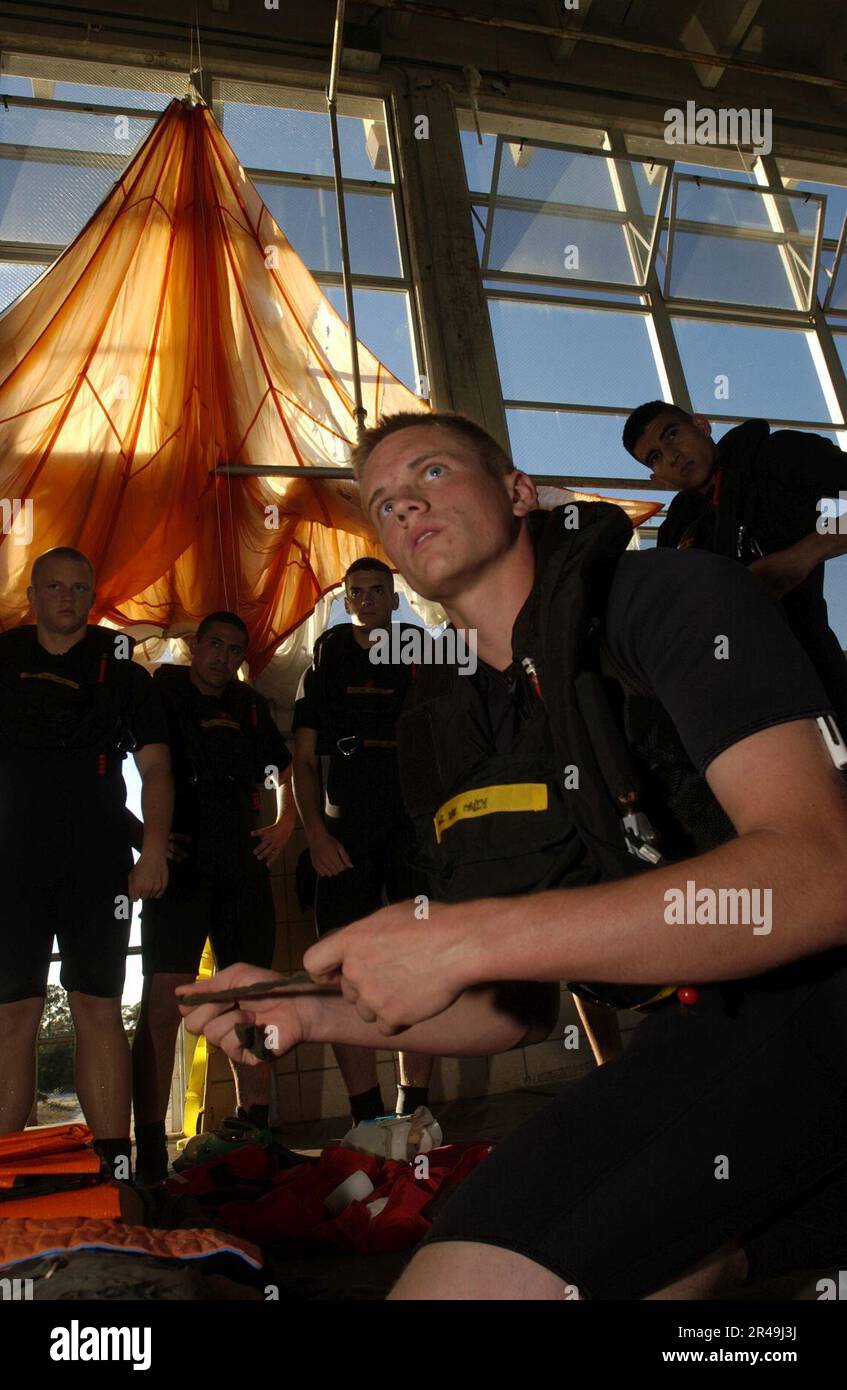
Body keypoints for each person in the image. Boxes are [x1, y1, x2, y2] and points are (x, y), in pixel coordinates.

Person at [180, 411, 847, 1302]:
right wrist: (307, 1011)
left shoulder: (672, 598)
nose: (405, 503)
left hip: (819, 998)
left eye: (431, 472)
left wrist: (471, 937)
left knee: (463, 1285)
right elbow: (510, 1013)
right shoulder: (454, 725)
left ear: (517, 493)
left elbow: (820, 877)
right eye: (382, 504)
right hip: (713, 1032)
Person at [0, 548, 172, 1181]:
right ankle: (6, 1173)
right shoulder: (5, 656)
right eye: (54, 587)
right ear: (34, 596)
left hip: (98, 861)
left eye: (79, 587)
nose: (67, 597)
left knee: (96, 1005)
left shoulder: (122, 666)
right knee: (11, 1012)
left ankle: (114, 1171)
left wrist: (152, 850)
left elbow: (155, 768)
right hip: (12, 858)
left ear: (92, 595)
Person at [130, 611, 295, 1185]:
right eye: (214, 645)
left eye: (233, 649)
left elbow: (286, 771)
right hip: (181, 869)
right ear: (194, 645)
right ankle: (147, 1144)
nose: (222, 657)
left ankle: (257, 1130)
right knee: (161, 1008)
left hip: (242, 871)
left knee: (252, 1002)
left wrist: (284, 824)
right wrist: (141, 837)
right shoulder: (163, 688)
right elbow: (133, 765)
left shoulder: (250, 706)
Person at [292, 558, 435, 1124]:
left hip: (413, 832)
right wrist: (316, 834)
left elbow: (448, 745)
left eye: (379, 591)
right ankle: (366, 1117)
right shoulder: (327, 657)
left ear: (395, 599)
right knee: (340, 969)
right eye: (358, 592)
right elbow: (303, 760)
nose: (368, 599)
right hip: (345, 834)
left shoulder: (421, 653)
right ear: (346, 599)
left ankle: (415, 1107)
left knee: (418, 964)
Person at [623, 402, 847, 731]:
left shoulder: (772, 456)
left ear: (701, 425)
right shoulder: (677, 532)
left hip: (812, 676)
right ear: (658, 479)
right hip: (729, 706)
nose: (671, 455)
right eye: (655, 456)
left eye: (672, 434)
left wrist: (803, 555)